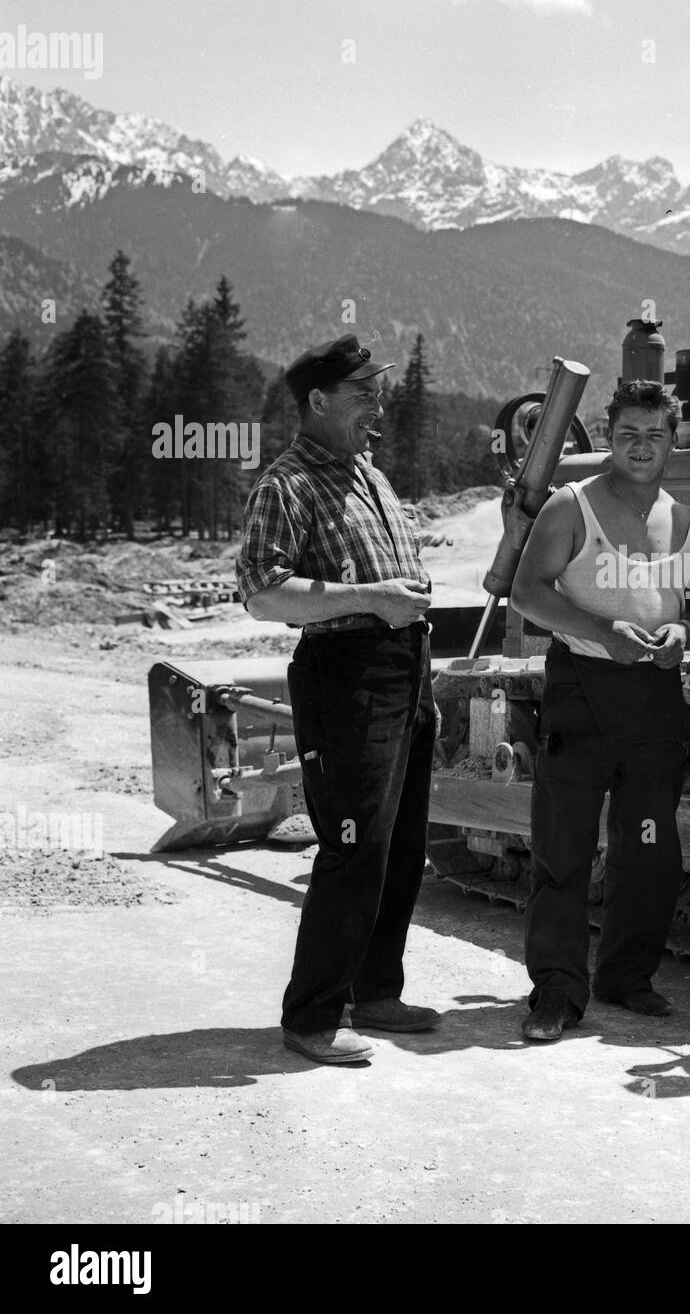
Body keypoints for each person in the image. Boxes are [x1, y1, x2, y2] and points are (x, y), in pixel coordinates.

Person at [237, 334, 440, 1066]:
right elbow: (262, 593)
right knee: (352, 847)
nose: (377, 406)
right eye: (363, 394)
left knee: (401, 846)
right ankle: (313, 1016)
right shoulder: (286, 485)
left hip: (402, 670)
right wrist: (371, 599)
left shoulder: (368, 475)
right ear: (318, 401)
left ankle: (376, 991)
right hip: (344, 675)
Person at [510, 380, 690, 1042]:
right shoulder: (569, 509)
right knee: (564, 850)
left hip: (654, 697)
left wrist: (687, 632)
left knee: (649, 852)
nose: (641, 446)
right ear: (609, 436)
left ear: (672, 441)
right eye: (629, 433)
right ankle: (556, 992)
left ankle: (628, 978)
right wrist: (605, 634)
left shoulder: (684, 521)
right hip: (582, 689)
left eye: (655, 435)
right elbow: (527, 593)